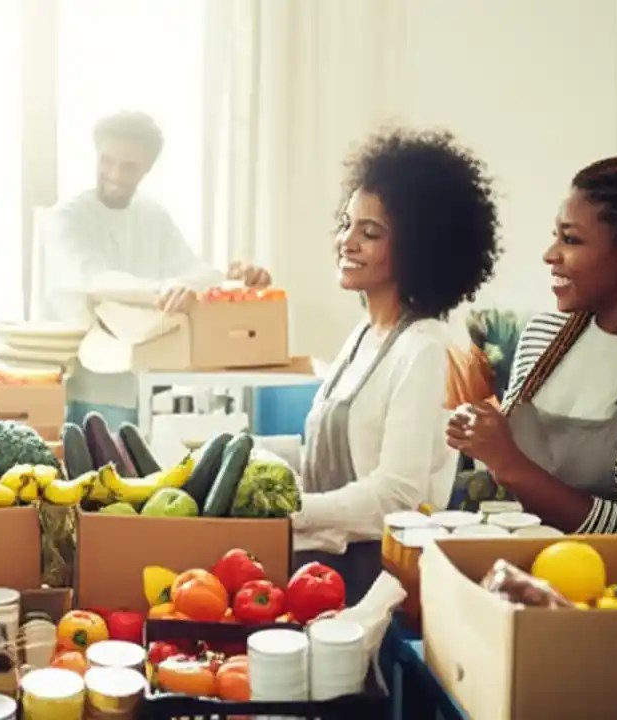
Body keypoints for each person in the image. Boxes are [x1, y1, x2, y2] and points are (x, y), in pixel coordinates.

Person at [292, 128, 501, 604]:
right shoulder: (364, 333)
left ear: (418, 248)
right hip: (321, 569)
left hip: (373, 582)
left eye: (371, 233)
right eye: (347, 225)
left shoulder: (424, 348)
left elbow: (397, 496)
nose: (347, 242)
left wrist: (293, 513)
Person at [448, 156, 617, 534]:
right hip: (500, 575)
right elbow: (502, 481)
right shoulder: (543, 337)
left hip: (599, 591)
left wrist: (509, 463)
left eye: (570, 239)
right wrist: (478, 435)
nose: (550, 255)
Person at [34, 110, 273, 426]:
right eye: (107, 161)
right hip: (81, 387)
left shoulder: (152, 215)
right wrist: (166, 288)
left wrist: (235, 282)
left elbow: (190, 270)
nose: (115, 174)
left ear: (147, 168)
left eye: (129, 166)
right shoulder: (65, 218)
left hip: (143, 385)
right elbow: (95, 281)